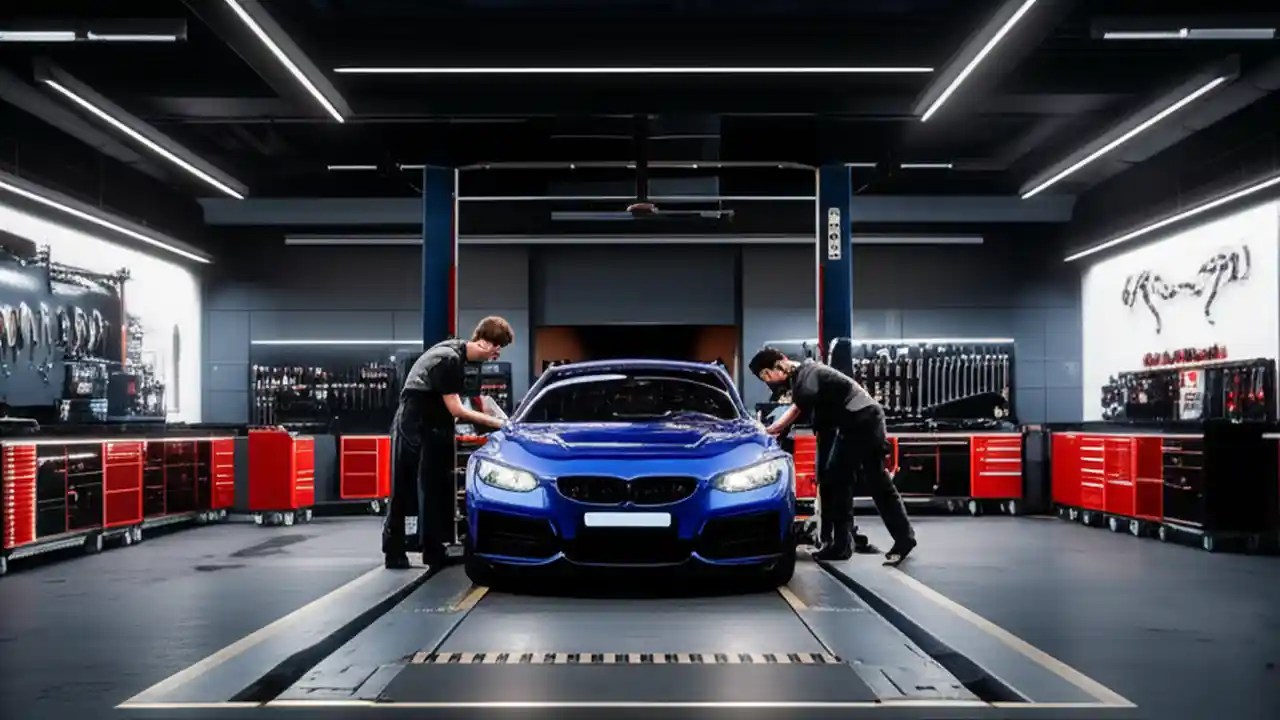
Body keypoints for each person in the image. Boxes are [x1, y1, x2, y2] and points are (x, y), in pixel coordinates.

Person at [749, 346, 916, 565]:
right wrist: (776, 428)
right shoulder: (802, 377)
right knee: (837, 481)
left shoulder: (808, 373)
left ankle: (894, 540)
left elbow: (801, 404)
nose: (768, 380)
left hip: (864, 420)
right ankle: (842, 544)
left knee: (872, 482)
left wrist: (775, 428)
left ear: (780, 363)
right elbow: (801, 407)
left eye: (766, 374)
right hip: (853, 424)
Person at [383, 316, 513, 569]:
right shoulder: (449, 359)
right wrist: (500, 423)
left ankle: (433, 550)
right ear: (485, 342)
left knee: (435, 485)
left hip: (433, 422)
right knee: (404, 484)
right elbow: (456, 409)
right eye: (497, 348)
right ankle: (394, 550)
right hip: (414, 420)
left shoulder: (458, 357)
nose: (496, 355)